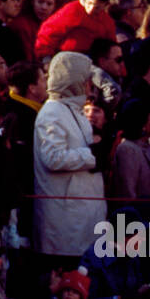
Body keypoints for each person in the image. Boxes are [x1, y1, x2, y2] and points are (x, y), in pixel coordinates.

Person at [32, 51, 107, 271]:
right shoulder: (51, 113)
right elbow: (53, 158)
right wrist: (91, 155)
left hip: (82, 219)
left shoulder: (75, 111)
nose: (89, 87)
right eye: (85, 82)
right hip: (64, 225)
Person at [35, 0, 115, 59]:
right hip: (66, 58)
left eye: (97, 7)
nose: (90, 9)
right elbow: (49, 31)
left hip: (92, 61)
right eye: (89, 3)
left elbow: (114, 49)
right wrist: (45, 57)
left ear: (106, 4)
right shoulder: (73, 10)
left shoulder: (107, 22)